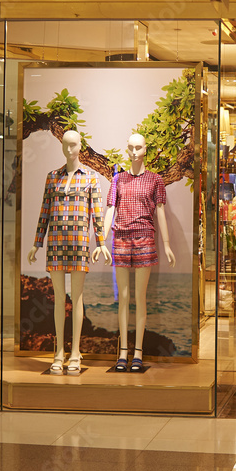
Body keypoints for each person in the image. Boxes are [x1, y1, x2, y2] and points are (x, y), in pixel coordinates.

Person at [28, 131, 110, 373]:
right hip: (55, 243)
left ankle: (75, 351)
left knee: (77, 298)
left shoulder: (91, 178)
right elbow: (45, 211)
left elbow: (97, 214)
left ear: (80, 146)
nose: (69, 149)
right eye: (65, 145)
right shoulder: (52, 177)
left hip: (79, 244)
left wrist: (102, 243)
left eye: (73, 145)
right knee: (58, 299)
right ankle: (59, 352)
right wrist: (37, 242)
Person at [102, 133, 175, 372]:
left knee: (140, 297)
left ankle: (138, 352)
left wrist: (166, 244)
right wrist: (101, 240)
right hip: (121, 238)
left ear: (146, 150)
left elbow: (161, 212)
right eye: (131, 147)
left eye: (139, 147)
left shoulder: (156, 180)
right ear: (127, 149)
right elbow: (111, 209)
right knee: (123, 297)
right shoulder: (117, 180)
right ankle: (123, 351)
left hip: (145, 239)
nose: (134, 152)